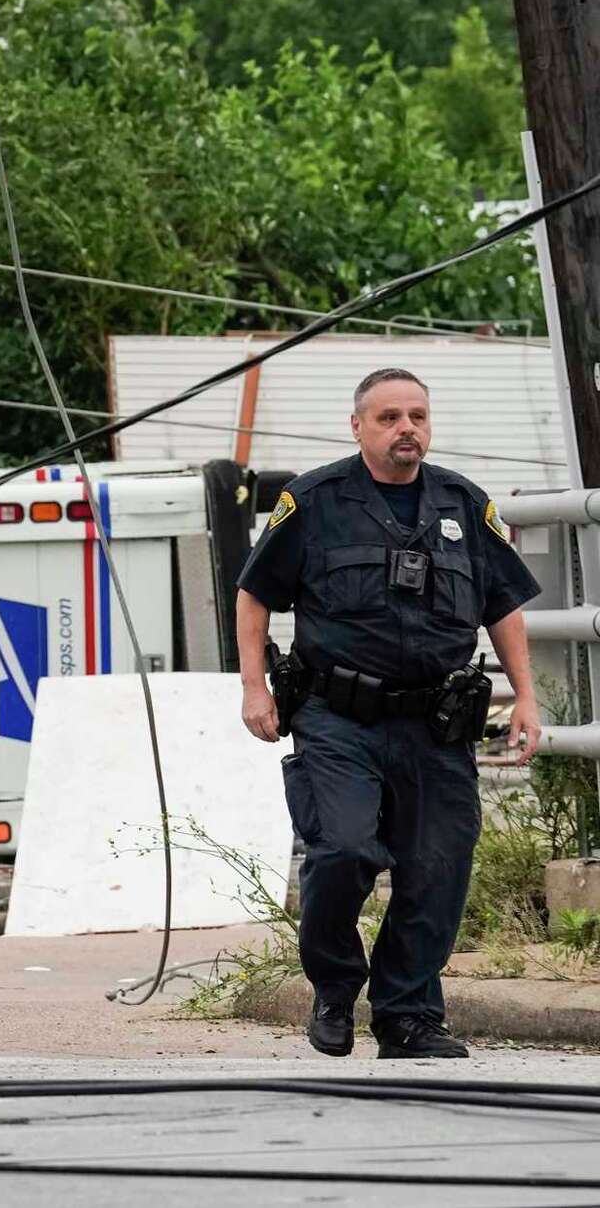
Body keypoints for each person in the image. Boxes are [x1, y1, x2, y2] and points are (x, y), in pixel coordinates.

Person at [234, 368, 541, 1059]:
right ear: (359, 426)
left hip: (435, 720)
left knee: (438, 866)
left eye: (417, 416)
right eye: (390, 418)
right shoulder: (313, 501)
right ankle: (337, 989)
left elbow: (504, 606)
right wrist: (255, 687)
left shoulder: (463, 504)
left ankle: (406, 1016)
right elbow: (254, 594)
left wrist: (526, 695)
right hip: (339, 716)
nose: (407, 429)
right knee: (342, 849)